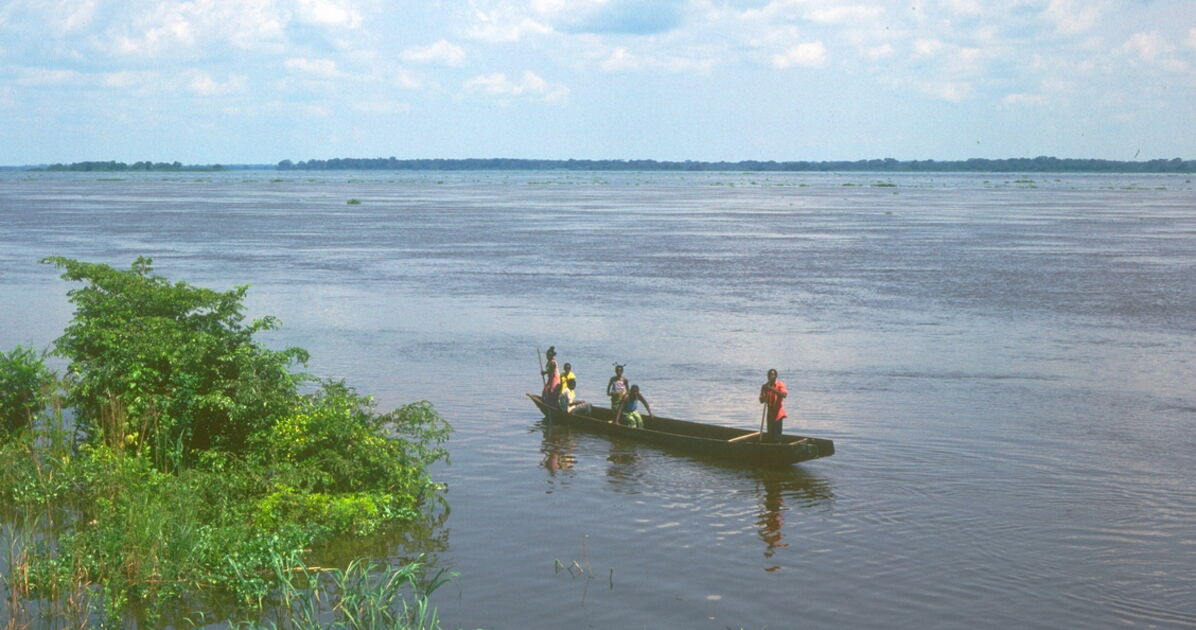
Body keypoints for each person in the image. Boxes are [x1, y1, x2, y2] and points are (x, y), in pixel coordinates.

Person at [758, 368, 788, 442]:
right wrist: (765, 397)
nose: (771, 376)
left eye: (773, 374)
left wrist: (772, 389)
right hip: (770, 412)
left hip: (778, 413)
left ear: (776, 376)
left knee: (777, 435)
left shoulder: (780, 384)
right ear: (768, 376)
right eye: (770, 374)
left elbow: (784, 395)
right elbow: (761, 400)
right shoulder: (765, 386)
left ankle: (778, 444)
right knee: (770, 433)